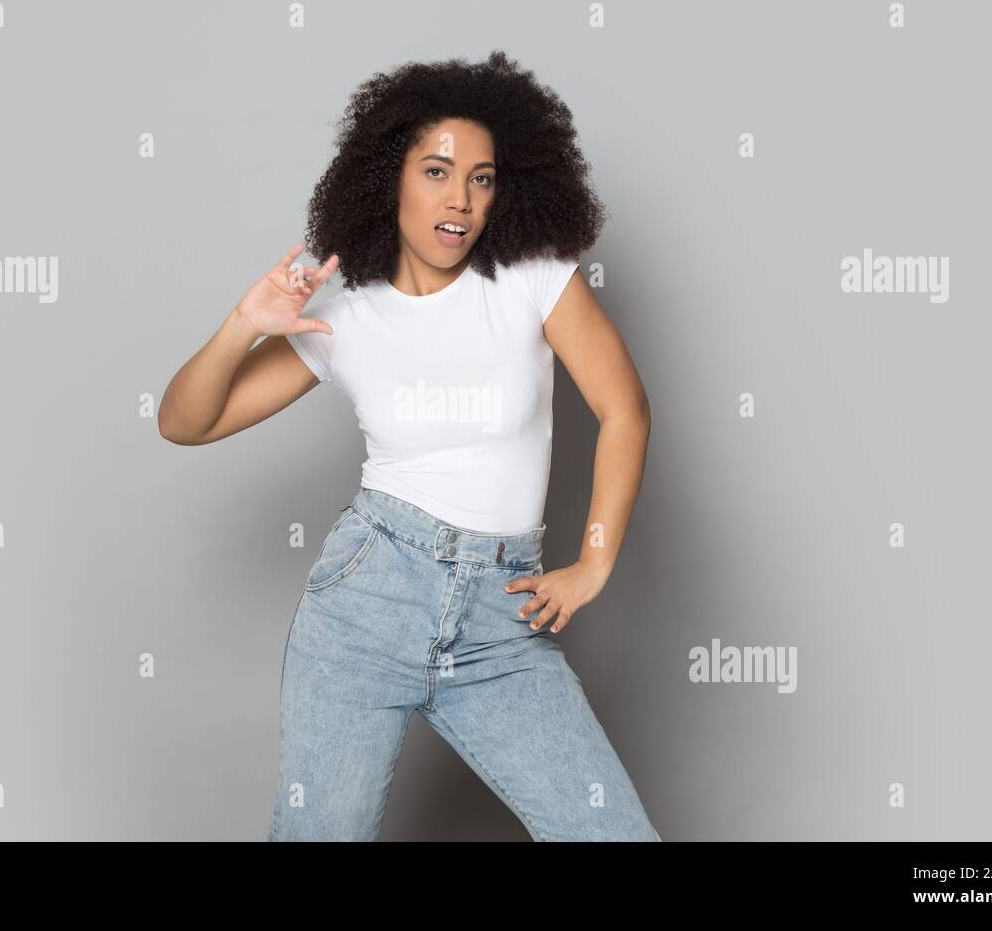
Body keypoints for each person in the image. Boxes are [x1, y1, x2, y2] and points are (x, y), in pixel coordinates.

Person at [158, 51, 658, 841]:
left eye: (482, 178)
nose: (460, 199)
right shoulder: (344, 317)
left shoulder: (534, 277)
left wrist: (594, 561)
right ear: (389, 178)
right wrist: (243, 325)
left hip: (503, 619)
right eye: (436, 171)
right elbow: (186, 422)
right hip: (366, 608)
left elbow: (624, 408)